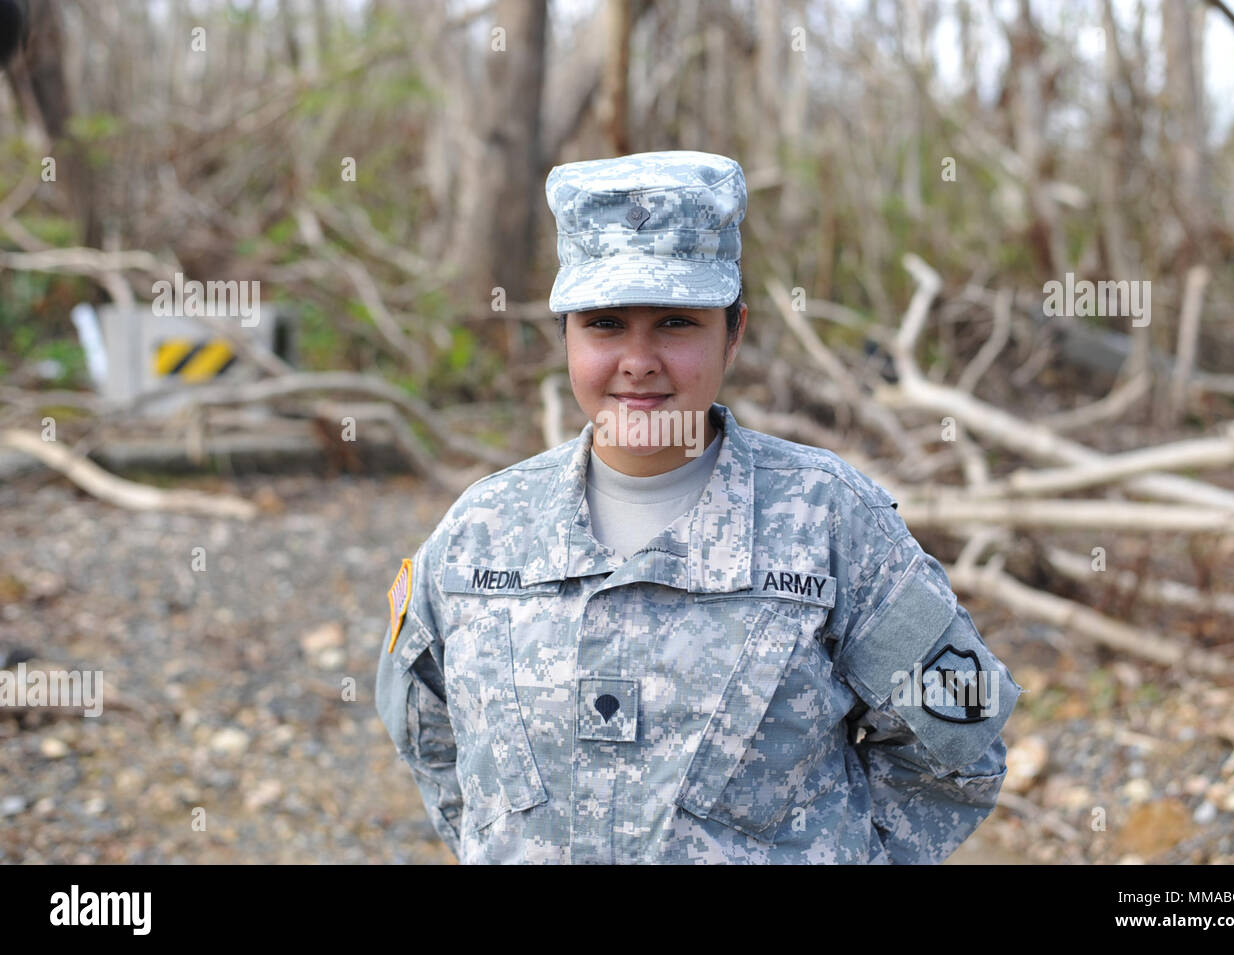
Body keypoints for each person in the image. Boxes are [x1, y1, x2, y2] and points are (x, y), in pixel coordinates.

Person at [375, 150, 1021, 864]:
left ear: (734, 330)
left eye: (677, 322)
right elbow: (430, 733)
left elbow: (959, 747)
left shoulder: (829, 520)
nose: (640, 359)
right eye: (606, 323)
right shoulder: (482, 533)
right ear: (564, 334)